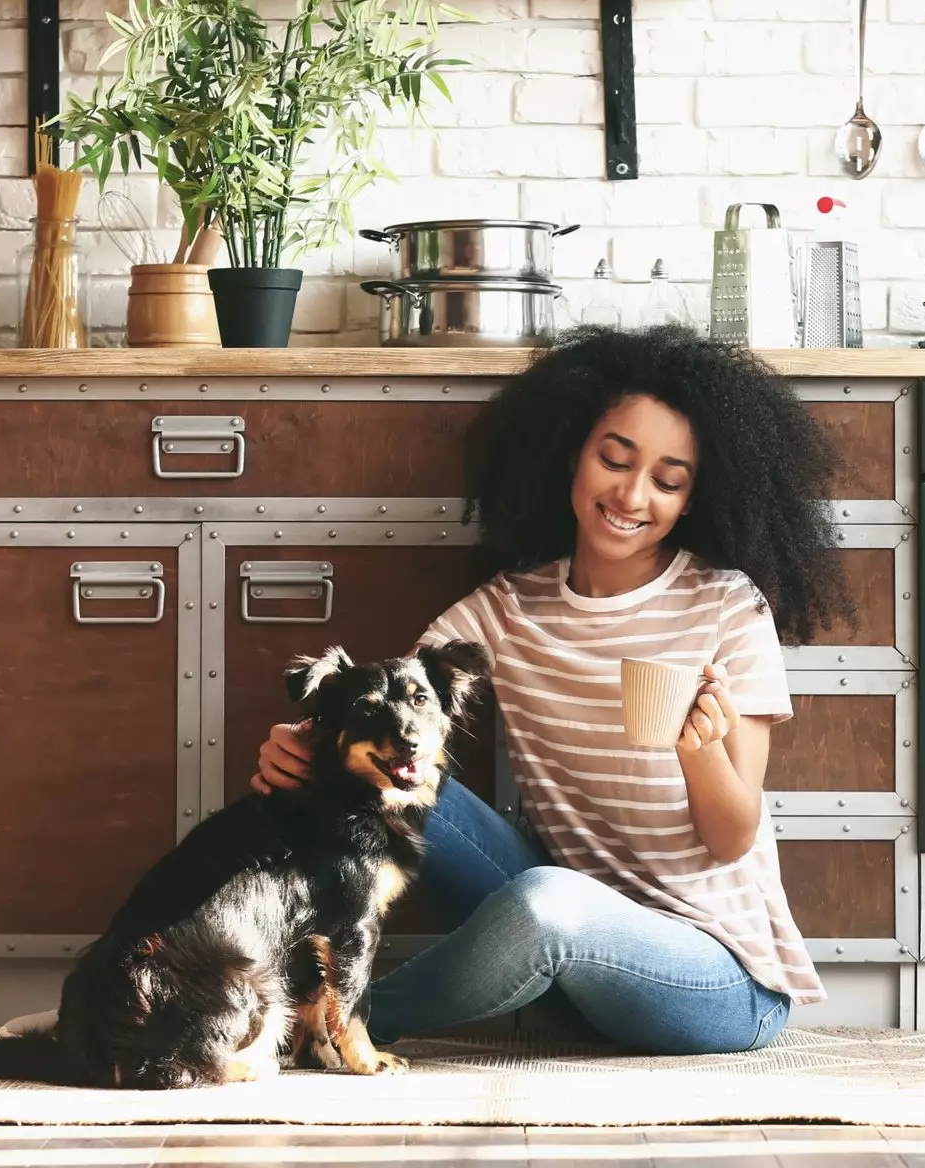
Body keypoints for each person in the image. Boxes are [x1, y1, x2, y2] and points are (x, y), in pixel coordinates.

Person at [252, 325, 849, 1055]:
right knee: (374, 776)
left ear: (693, 498)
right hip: (570, 943)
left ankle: (333, 1017)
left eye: (667, 480)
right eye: (614, 460)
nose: (631, 495)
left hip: (717, 980)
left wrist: (698, 752)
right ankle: (232, 971)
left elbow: (732, 838)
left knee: (546, 906)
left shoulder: (726, 605)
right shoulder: (508, 608)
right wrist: (305, 746)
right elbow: (387, 705)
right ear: (574, 452)